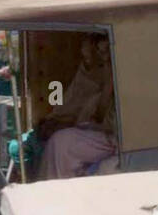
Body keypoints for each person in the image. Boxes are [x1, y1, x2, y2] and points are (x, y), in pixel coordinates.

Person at [37, 34, 118, 179]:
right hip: (98, 132)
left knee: (61, 143)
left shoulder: (116, 72)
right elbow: (80, 106)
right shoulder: (92, 82)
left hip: (115, 138)